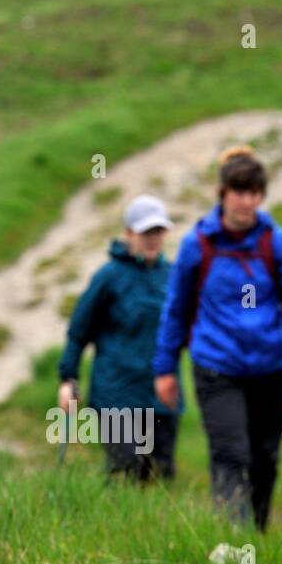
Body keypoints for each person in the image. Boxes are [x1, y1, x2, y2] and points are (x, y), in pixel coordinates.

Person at [153, 146, 282, 527]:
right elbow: (176, 308)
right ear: (223, 193)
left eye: (255, 193)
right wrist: (165, 367)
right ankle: (237, 545)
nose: (247, 201)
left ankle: (256, 535)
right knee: (231, 454)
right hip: (217, 369)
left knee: (265, 459)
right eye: (240, 191)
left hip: (272, 368)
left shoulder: (277, 243)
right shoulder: (198, 245)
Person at [57, 195, 181, 480]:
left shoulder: (173, 276)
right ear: (128, 233)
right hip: (117, 394)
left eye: (158, 231)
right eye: (145, 232)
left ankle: (146, 526)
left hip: (162, 395)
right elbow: (79, 331)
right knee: (127, 470)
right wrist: (68, 378)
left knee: (160, 475)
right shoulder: (109, 277)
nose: (152, 239)